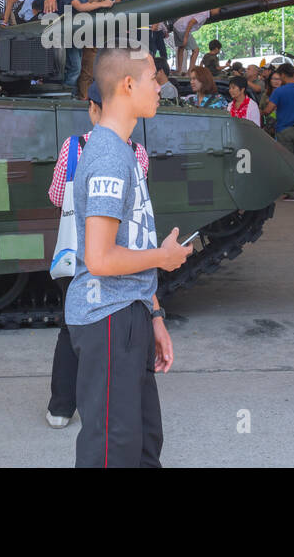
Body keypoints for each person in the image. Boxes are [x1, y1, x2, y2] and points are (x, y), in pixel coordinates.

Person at [66, 47, 193, 467]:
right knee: (112, 448)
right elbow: (99, 259)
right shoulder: (107, 155)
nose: (160, 87)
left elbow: (130, 242)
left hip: (128, 312)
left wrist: (153, 314)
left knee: (142, 443)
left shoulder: (122, 151)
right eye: (154, 78)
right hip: (107, 316)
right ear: (127, 85)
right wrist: (163, 257)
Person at [45, 81, 150, 429]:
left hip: (76, 252)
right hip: (123, 255)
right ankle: (115, 401)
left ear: (92, 107)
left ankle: (61, 407)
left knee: (70, 326)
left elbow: (57, 197)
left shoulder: (72, 147)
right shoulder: (137, 152)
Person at [58, 0, 112, 89]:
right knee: (75, 68)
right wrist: (102, 3)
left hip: (76, 39)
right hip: (69, 39)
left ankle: (71, 92)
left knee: (77, 68)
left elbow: (90, 3)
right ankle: (67, 93)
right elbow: (81, 7)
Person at [265, 63, 294, 200]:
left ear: (283, 75)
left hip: (284, 129)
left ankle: (292, 193)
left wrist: (262, 110)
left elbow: (269, 110)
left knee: (288, 162)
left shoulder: (279, 91)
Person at [172, 9, 217, 74]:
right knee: (196, 50)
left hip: (177, 26)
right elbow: (191, 22)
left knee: (181, 48)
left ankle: (179, 70)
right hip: (182, 28)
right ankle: (190, 71)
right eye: (218, 9)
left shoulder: (204, 11)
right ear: (213, 8)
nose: (218, 12)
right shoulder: (204, 13)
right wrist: (186, 37)